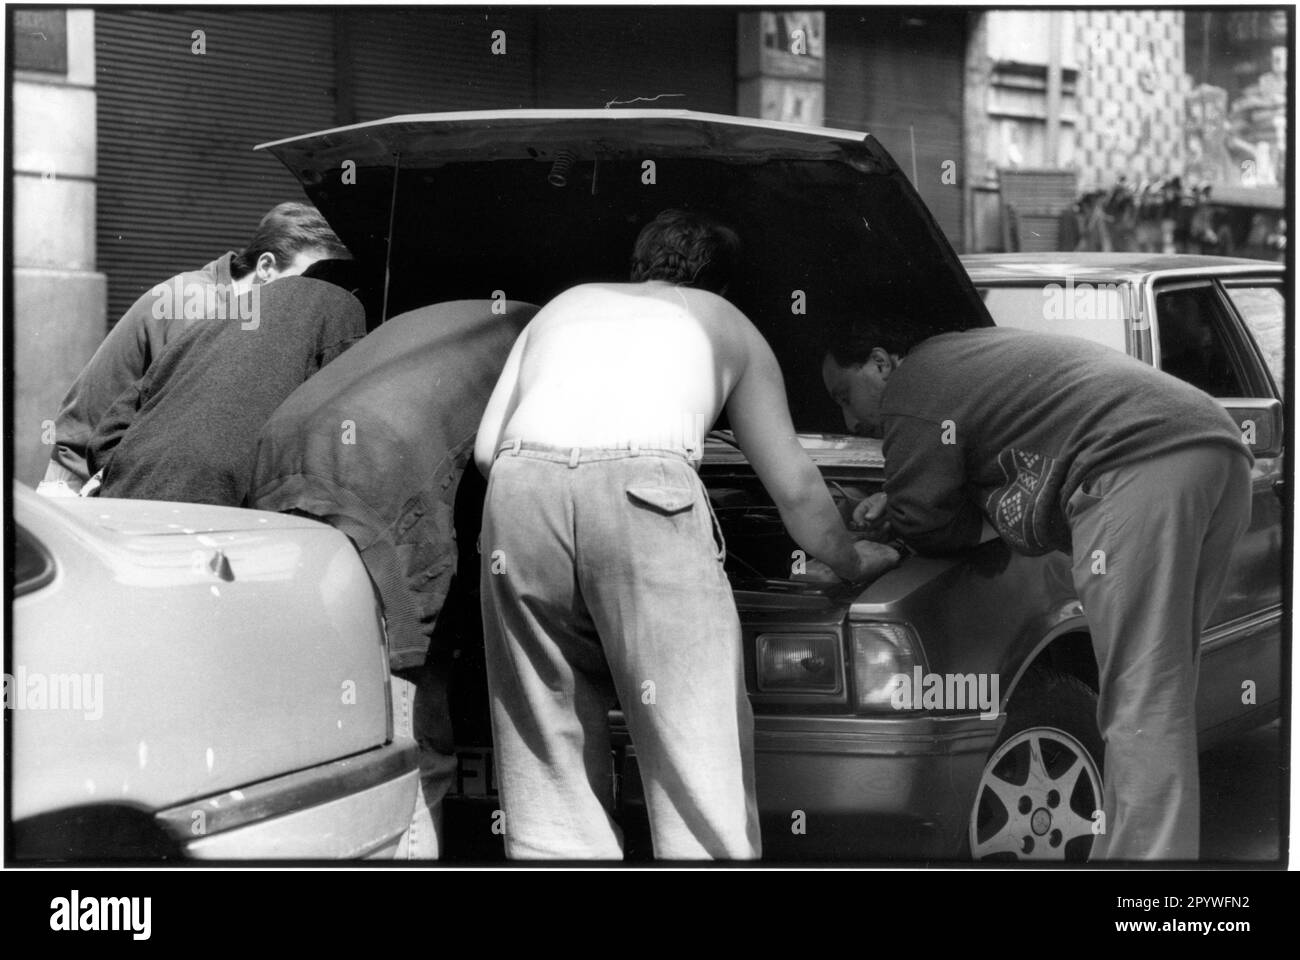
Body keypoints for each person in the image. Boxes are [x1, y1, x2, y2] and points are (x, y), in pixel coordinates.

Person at [474, 209, 900, 860]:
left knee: (542, 730)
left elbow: (485, 451)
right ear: (720, 286)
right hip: (647, 495)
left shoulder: (563, 306)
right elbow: (794, 486)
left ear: (638, 265)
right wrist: (848, 557)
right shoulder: (728, 324)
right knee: (691, 732)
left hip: (518, 493)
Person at [821, 320, 1253, 861]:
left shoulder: (911, 391)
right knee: (1152, 695)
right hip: (1215, 453)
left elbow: (925, 524)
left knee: (1141, 702)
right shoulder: (958, 361)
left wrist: (893, 527)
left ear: (882, 363)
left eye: (844, 396)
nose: (850, 419)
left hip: (1137, 467)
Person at [247, 297, 541, 859]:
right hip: (384, 461)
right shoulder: (543, 330)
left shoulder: (454, 321)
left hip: (281, 446)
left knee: (318, 693)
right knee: (413, 717)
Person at [43, 201, 350, 491]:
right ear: (266, 267)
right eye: (309, 281)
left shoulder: (241, 309)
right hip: (82, 479)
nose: (314, 299)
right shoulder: (198, 304)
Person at [85, 268, 366, 506]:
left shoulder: (214, 319)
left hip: (126, 506)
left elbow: (106, 435)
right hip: (221, 520)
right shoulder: (345, 315)